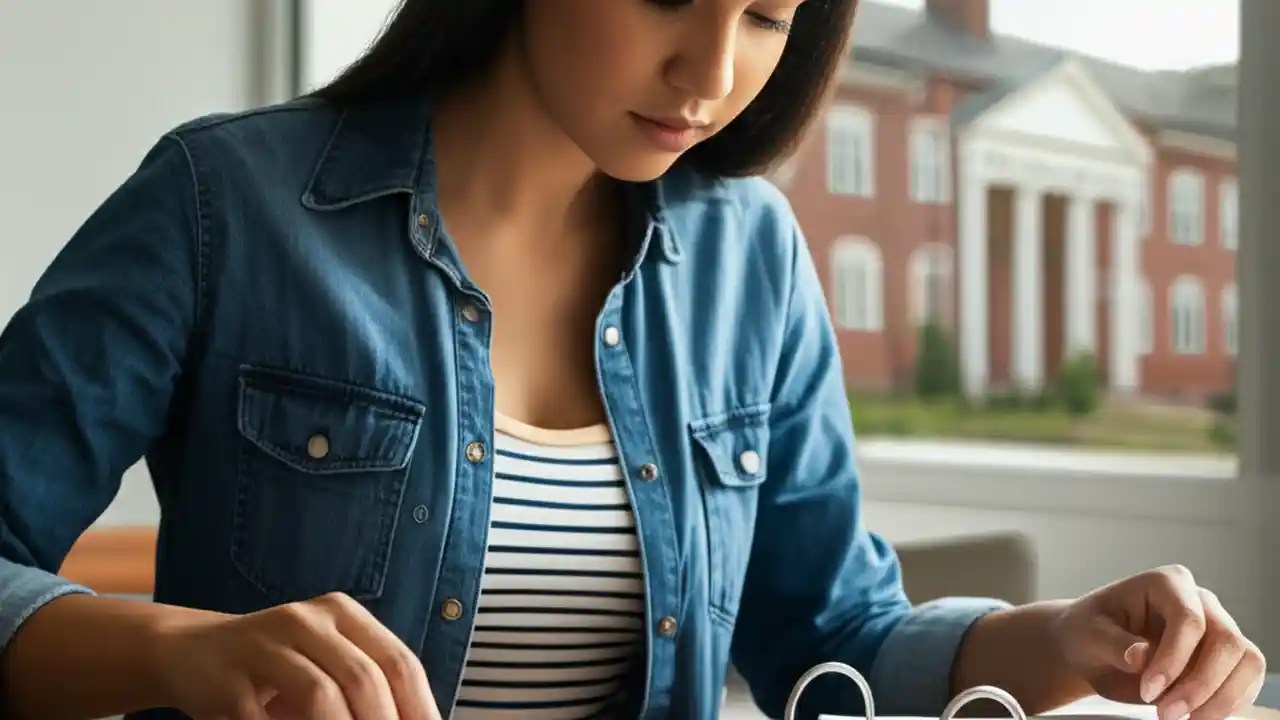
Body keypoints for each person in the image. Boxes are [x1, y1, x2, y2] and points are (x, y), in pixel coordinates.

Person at [0, 0, 1265, 718]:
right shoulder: (224, 204)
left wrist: (1062, 639)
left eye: (767, 13)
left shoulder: (749, 256)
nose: (712, 74)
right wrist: (169, 651)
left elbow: (829, 631)